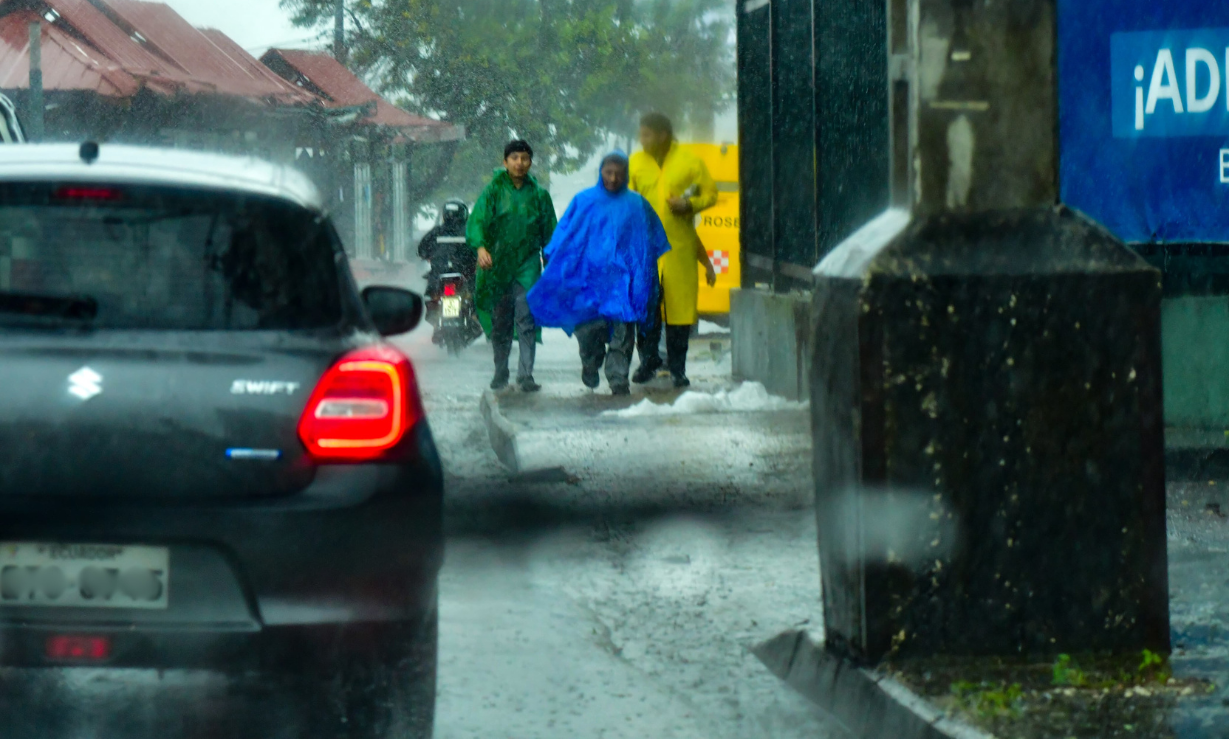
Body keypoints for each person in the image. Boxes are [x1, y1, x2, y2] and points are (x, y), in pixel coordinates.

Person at [527, 151, 671, 395]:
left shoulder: (637, 205)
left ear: (626, 174)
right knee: (589, 333)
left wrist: (643, 280)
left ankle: (618, 379)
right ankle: (591, 363)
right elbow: (564, 236)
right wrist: (556, 262)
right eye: (608, 172)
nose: (613, 178)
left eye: (619, 173)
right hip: (589, 284)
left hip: (622, 285)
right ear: (600, 173)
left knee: (623, 334)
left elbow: (650, 243)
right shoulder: (584, 202)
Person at [628, 112, 718, 388]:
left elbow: (711, 194)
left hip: (679, 249)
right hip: (646, 252)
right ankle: (648, 362)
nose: (641, 140)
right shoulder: (635, 163)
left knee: (680, 315)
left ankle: (678, 368)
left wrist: (689, 205)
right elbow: (626, 200)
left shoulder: (690, 162)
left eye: (646, 135)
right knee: (647, 311)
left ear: (662, 135)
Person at [467, 140, 557, 391]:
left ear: (530, 162)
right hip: (497, 266)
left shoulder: (539, 196)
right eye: (515, 158)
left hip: (527, 266)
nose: (520, 163)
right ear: (505, 161)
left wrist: (551, 264)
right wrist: (481, 247)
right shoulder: (493, 191)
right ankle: (501, 371)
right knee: (501, 322)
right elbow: (478, 222)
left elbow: (550, 233)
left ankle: (526, 375)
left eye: (525, 158)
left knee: (526, 319)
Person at [417, 199, 476, 299]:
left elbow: (422, 249)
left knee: (430, 297)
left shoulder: (436, 232)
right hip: (466, 274)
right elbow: (478, 249)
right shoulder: (470, 232)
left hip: (439, 273)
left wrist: (427, 255)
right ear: (463, 214)